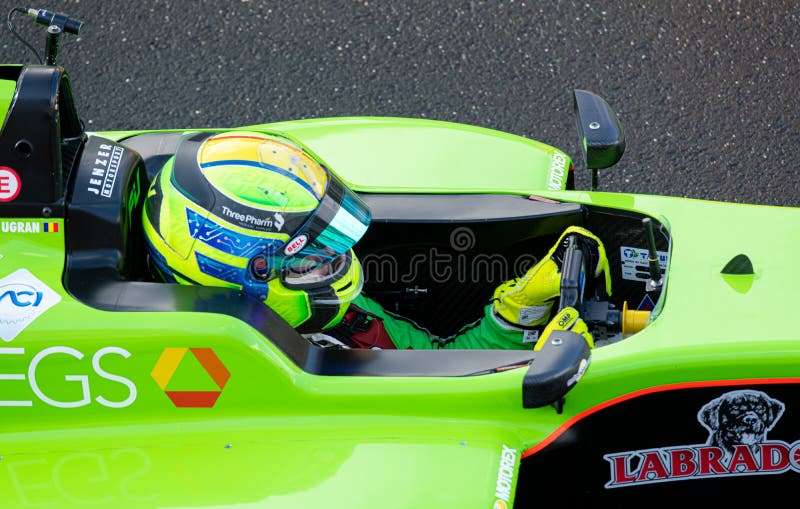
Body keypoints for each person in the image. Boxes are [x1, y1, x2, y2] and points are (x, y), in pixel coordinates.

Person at [142, 131, 611, 350]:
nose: (339, 264)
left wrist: (514, 313)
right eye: (311, 262)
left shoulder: (351, 319)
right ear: (243, 275)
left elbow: (441, 369)